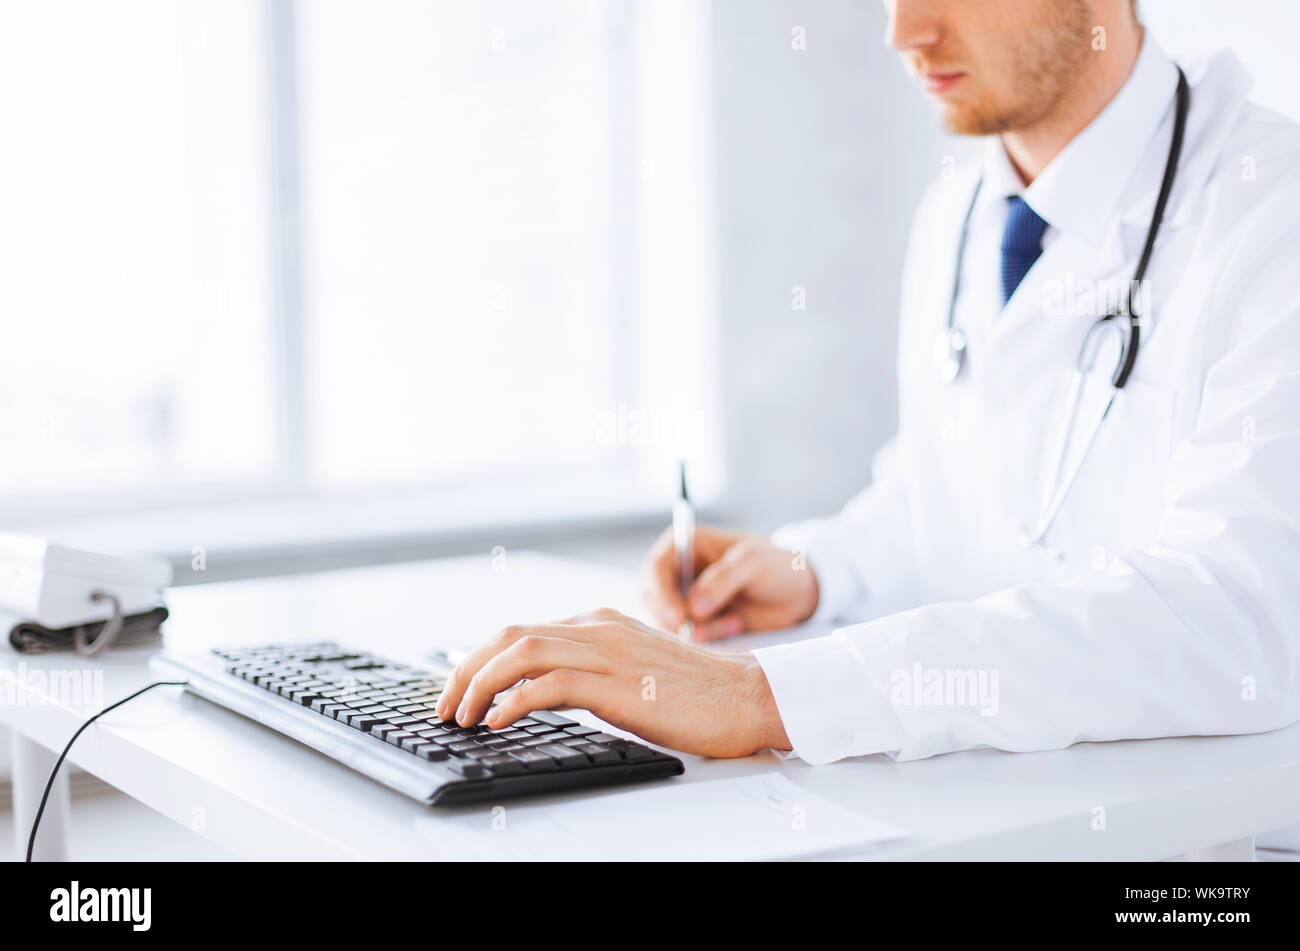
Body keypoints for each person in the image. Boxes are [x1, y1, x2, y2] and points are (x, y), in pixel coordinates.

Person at [435, 0, 1300, 773]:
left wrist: (762, 695)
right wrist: (817, 570)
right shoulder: (958, 211)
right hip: (996, 802)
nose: (903, 33)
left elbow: (1235, 616)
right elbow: (949, 500)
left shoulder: (1271, 213)